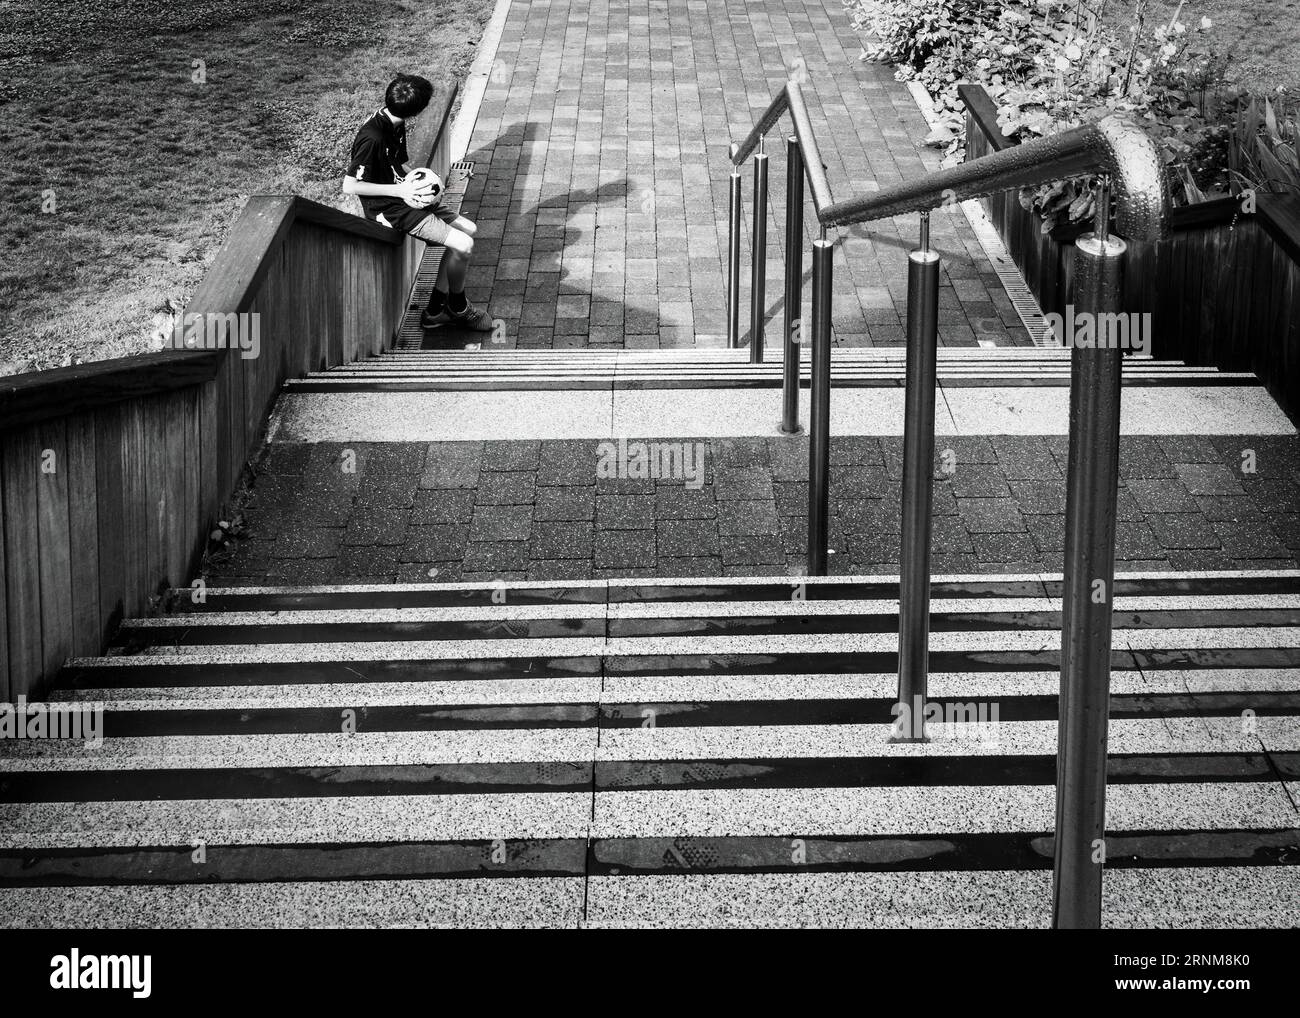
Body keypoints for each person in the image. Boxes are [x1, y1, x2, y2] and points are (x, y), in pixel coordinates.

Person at [342, 73, 492, 331]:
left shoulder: (394, 120)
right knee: (464, 244)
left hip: (408, 194)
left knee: (469, 230)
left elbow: (398, 165)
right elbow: (350, 186)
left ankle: (435, 310)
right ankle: (458, 308)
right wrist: (401, 192)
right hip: (390, 209)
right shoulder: (372, 137)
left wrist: (427, 182)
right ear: (417, 110)